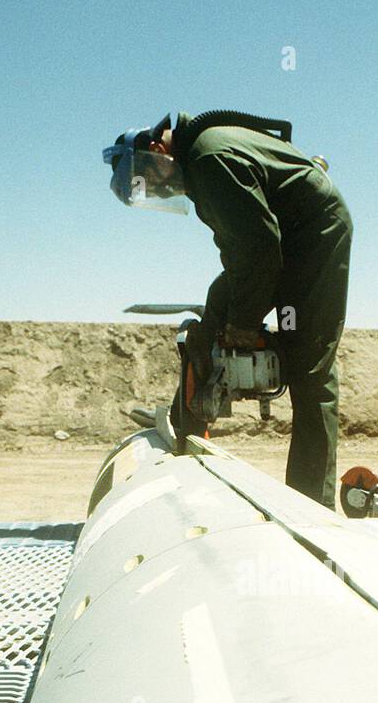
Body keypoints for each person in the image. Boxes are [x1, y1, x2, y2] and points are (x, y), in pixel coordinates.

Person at [103, 110, 353, 509]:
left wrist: (243, 323)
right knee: (215, 309)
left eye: (152, 182)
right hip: (283, 239)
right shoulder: (203, 156)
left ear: (155, 150)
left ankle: (313, 507)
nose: (162, 191)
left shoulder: (208, 160)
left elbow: (258, 250)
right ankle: (188, 417)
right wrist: (226, 318)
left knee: (310, 368)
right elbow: (243, 250)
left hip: (313, 237)